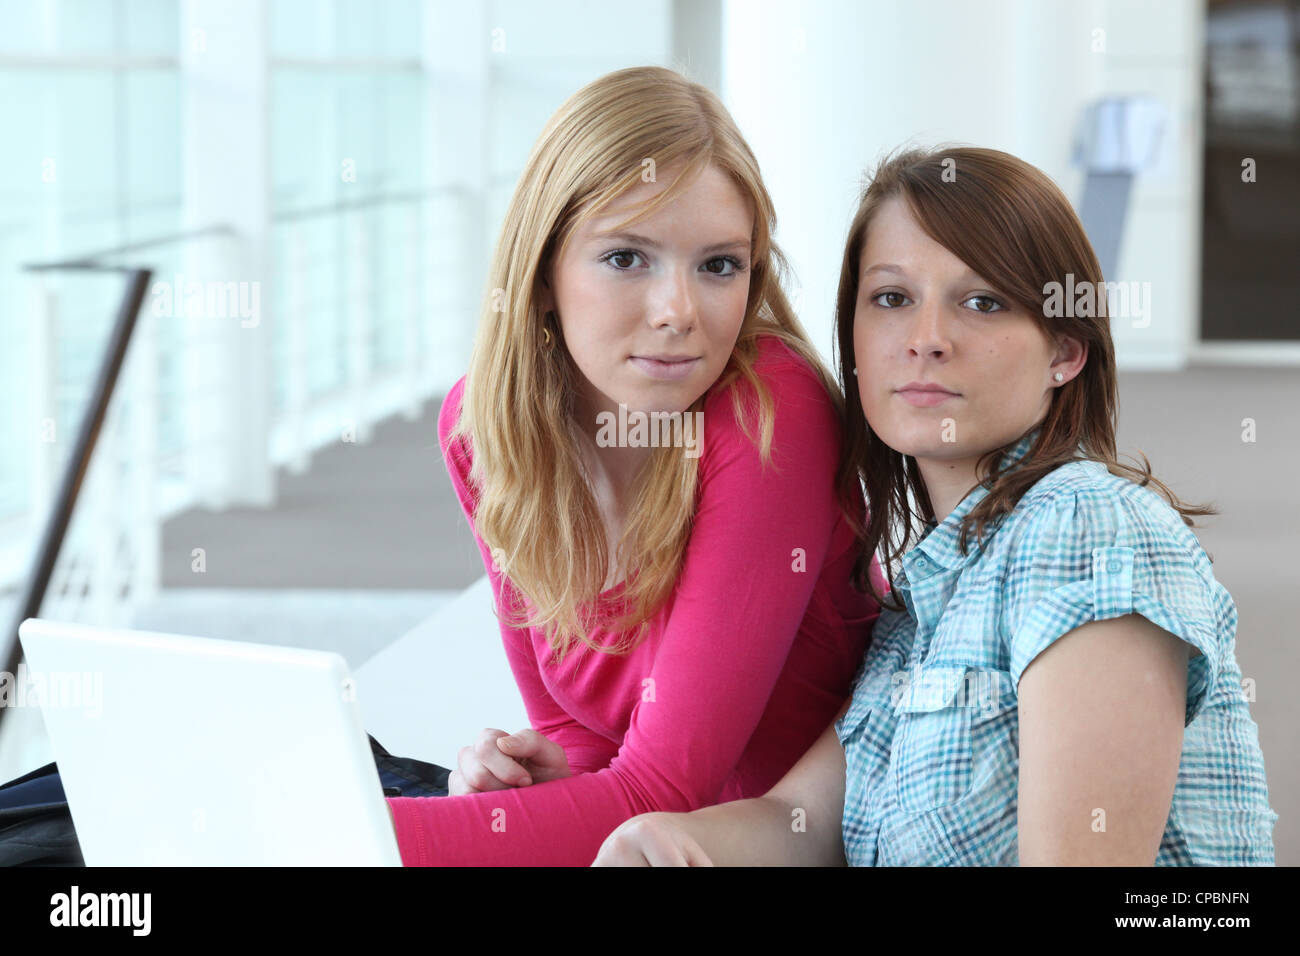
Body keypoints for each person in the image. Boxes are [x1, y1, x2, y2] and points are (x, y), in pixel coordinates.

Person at [592, 146, 1278, 866]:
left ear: (1065, 352)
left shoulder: (1087, 528)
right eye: (891, 299)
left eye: (982, 302)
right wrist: (668, 842)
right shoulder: (920, 600)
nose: (926, 341)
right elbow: (801, 821)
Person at [383, 66, 886, 865]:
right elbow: (574, 732)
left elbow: (659, 795)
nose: (679, 312)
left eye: (719, 265)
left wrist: (311, 839)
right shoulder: (483, 429)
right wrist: (530, 783)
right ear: (543, 273)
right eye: (627, 258)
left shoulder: (769, 413)